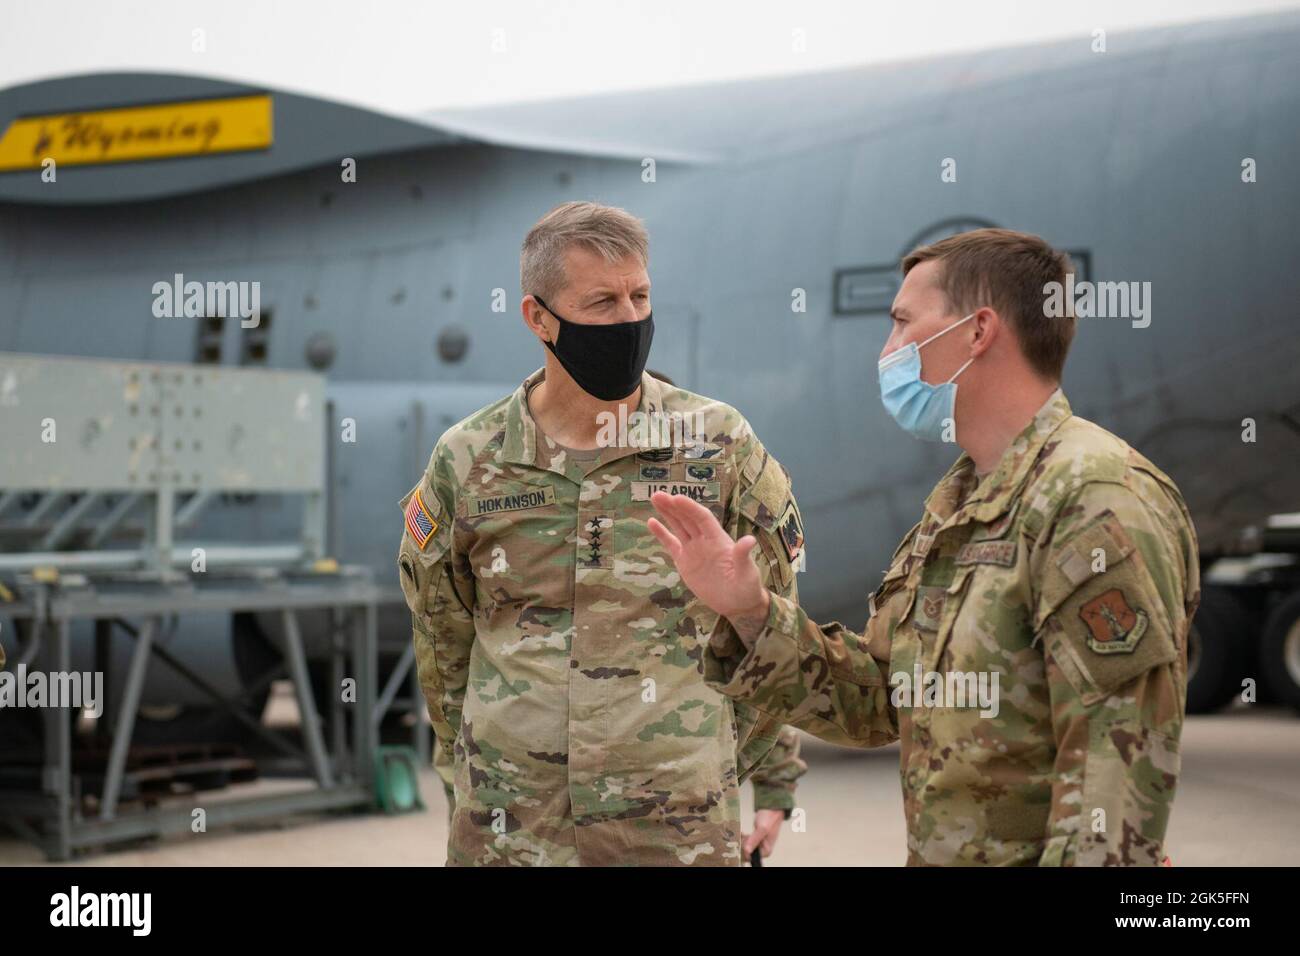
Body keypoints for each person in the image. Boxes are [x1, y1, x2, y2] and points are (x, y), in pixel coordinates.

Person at [648, 227, 1199, 866]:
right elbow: (879, 699)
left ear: (977, 332)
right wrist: (749, 611)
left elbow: (1117, 762)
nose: (889, 350)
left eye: (902, 323)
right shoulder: (960, 502)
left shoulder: (1093, 496)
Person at [398, 201, 806, 866]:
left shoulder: (716, 443)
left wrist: (758, 777)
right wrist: (469, 780)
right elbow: (443, 644)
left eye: (639, 296)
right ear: (539, 318)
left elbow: (774, 624)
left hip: (673, 823)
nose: (629, 320)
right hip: (515, 827)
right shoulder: (469, 459)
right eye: (602, 302)